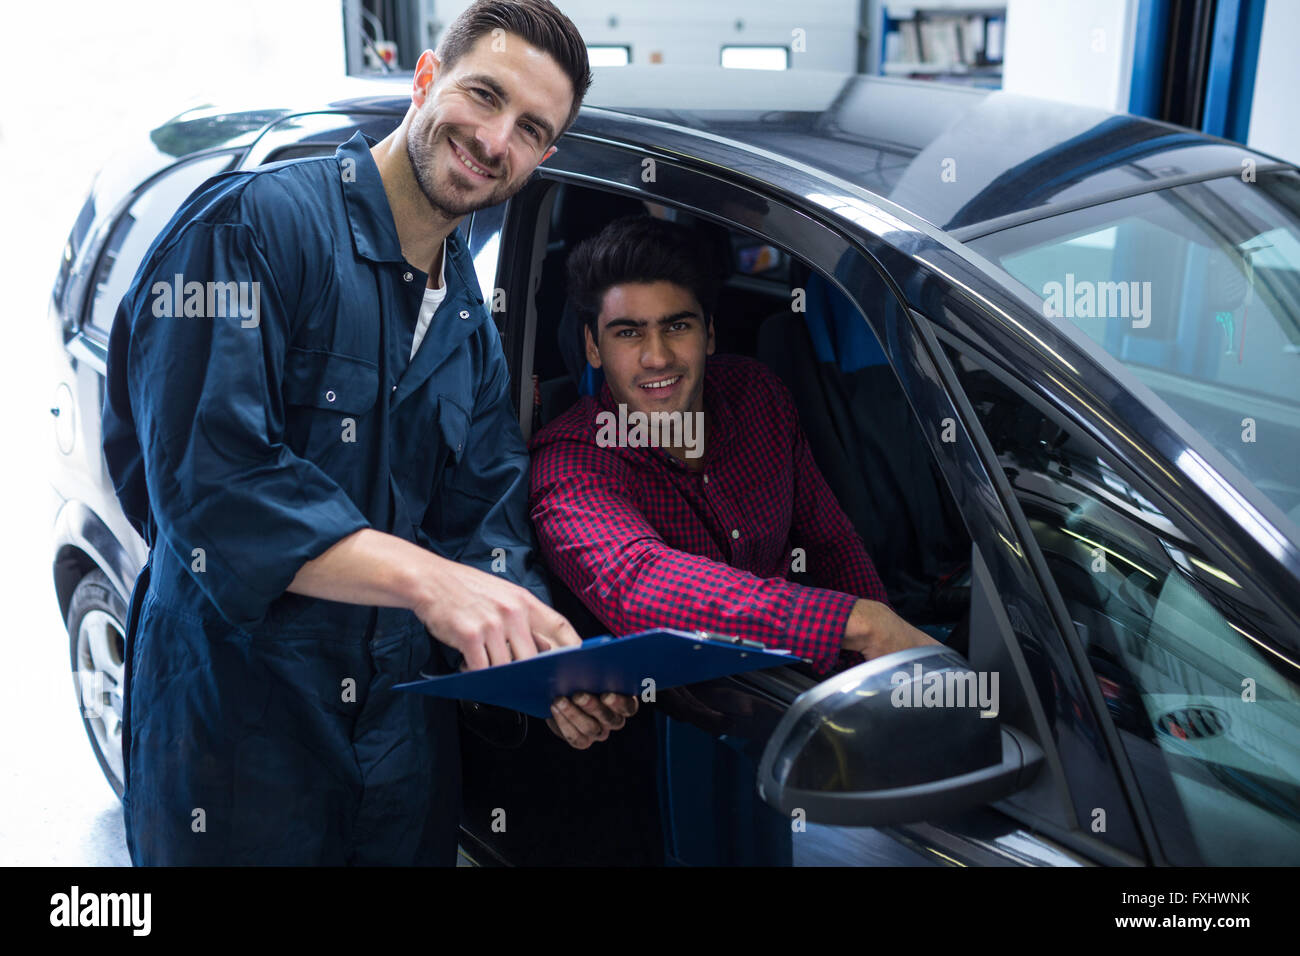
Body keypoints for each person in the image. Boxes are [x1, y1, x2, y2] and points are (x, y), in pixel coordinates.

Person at [101, 0, 632, 866]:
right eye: (484, 95)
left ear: (546, 155)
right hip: (238, 735)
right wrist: (430, 584)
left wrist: (540, 663)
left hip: (398, 748)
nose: (496, 140)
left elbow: (483, 517)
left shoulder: (468, 321)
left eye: (532, 129)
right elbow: (213, 487)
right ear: (424, 79)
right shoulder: (252, 230)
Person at [528, 215, 943, 749]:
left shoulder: (756, 395)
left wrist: (883, 668)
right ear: (592, 347)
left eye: (677, 326)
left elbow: (828, 540)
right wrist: (854, 622)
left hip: (800, 691)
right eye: (628, 333)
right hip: (681, 727)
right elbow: (640, 585)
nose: (657, 357)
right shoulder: (571, 462)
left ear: (710, 333)